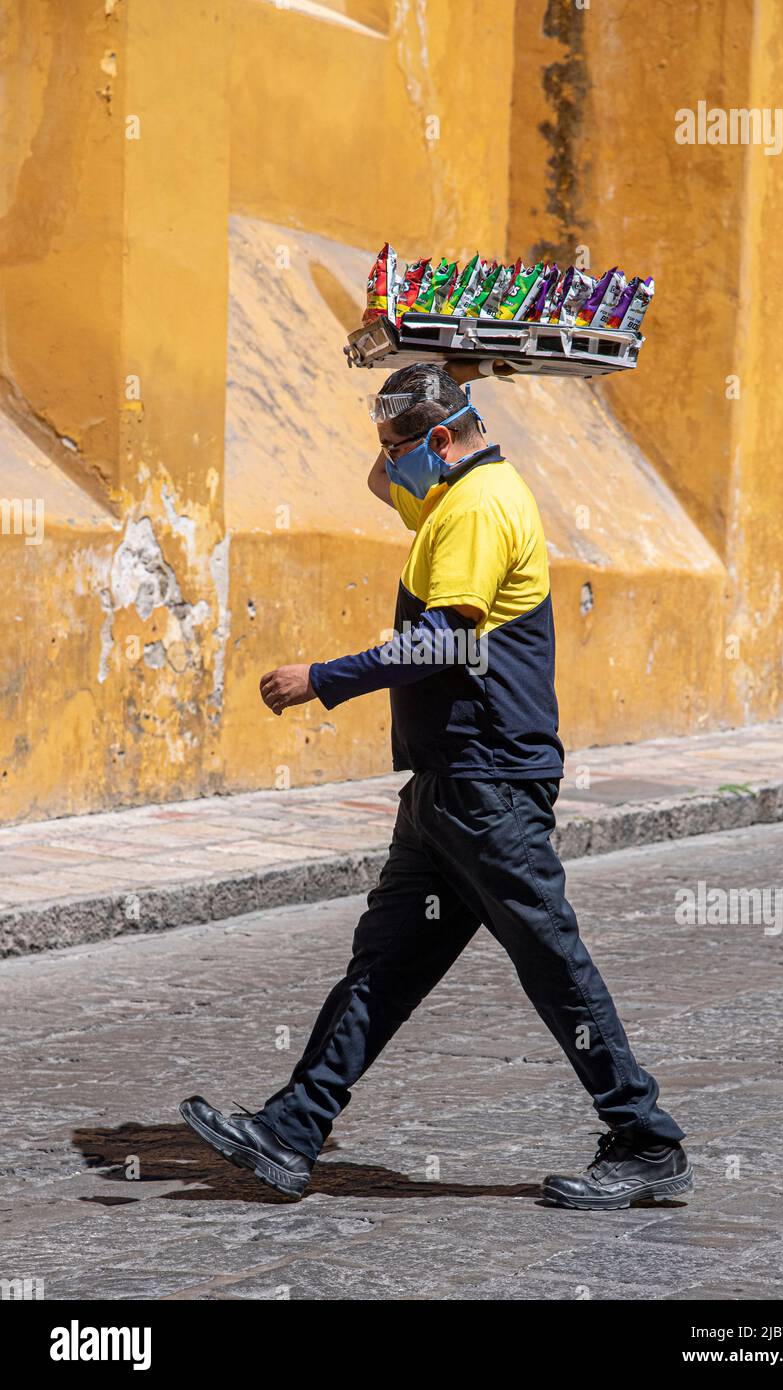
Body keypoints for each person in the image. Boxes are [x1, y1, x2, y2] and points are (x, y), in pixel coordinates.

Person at [180, 360, 693, 1211]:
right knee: (383, 965)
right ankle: (292, 1129)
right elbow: (384, 479)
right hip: (449, 784)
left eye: (401, 443)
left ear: (443, 441)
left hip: (487, 777)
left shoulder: (481, 508)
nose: (389, 461)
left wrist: (325, 677)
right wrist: (420, 368)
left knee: (552, 964)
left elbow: (446, 643)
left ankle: (646, 1142)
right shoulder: (452, 490)